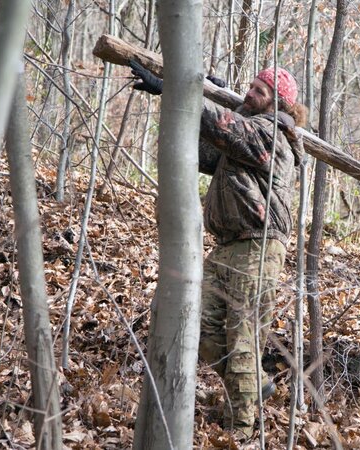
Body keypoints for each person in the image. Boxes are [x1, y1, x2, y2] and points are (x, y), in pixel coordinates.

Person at [131, 63, 307, 439]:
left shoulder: (273, 133)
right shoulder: (245, 133)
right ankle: (255, 384)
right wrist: (200, 97)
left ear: (277, 103)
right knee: (196, 324)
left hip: (258, 248)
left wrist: (176, 90)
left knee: (243, 341)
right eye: (252, 86)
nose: (250, 94)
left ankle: (241, 431)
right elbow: (206, 151)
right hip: (228, 246)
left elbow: (231, 130)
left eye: (260, 91)